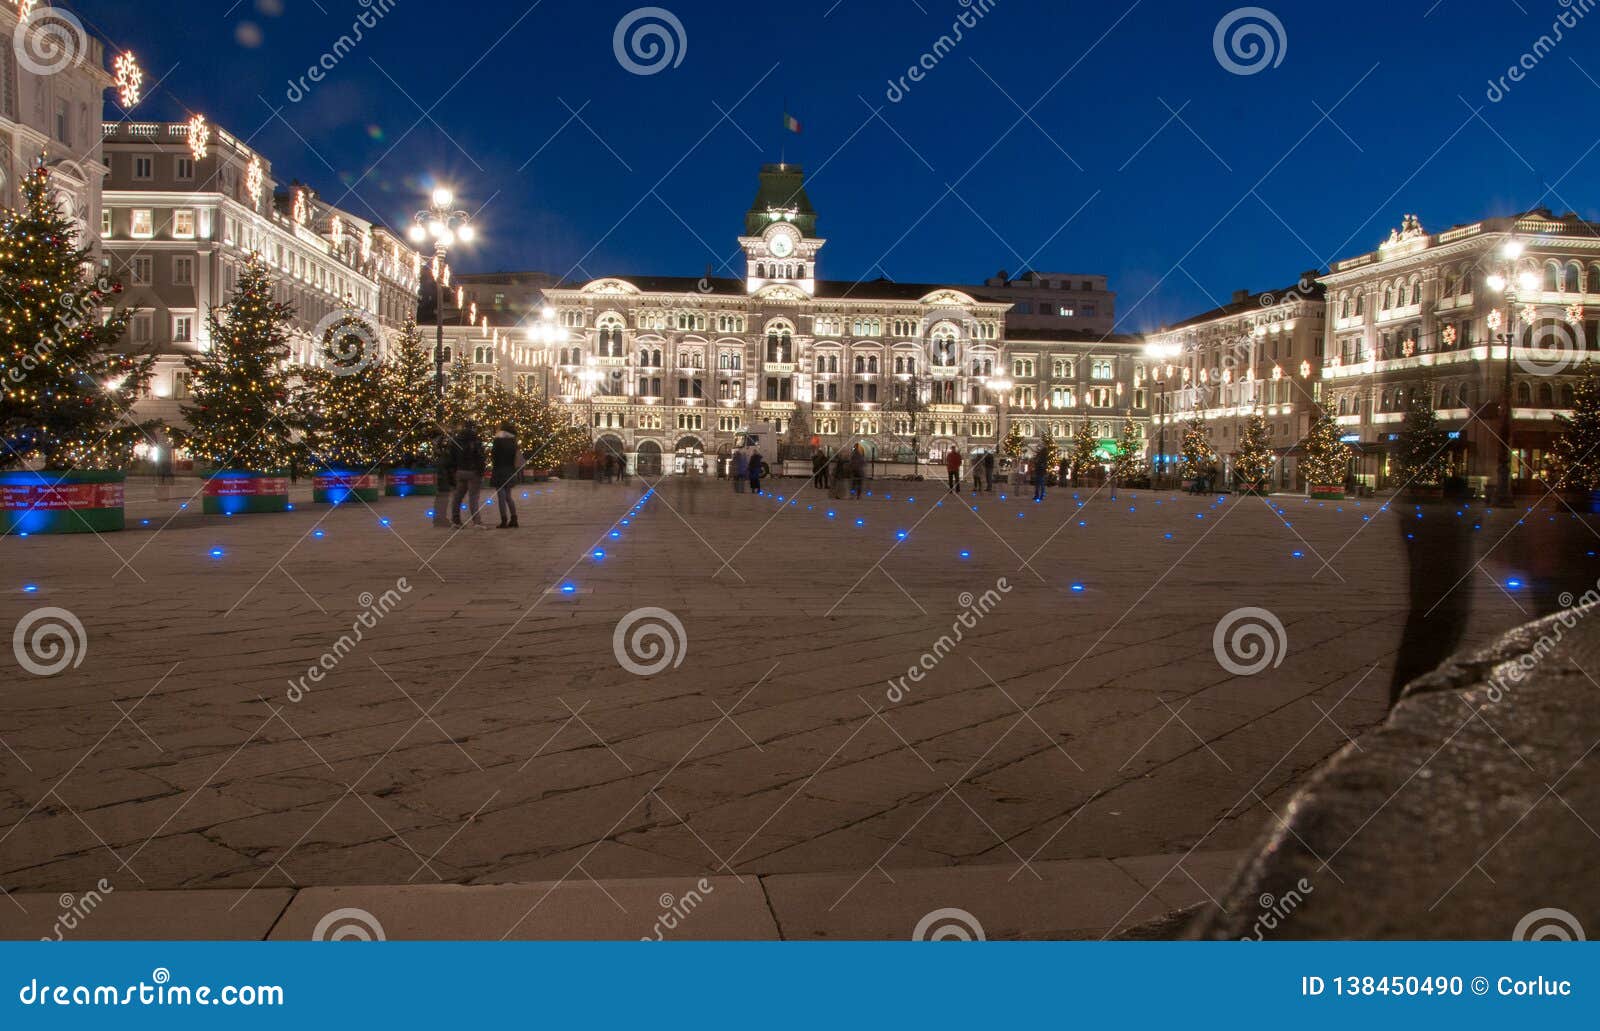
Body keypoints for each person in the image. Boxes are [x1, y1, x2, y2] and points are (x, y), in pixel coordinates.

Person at [449, 420, 488, 528]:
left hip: (460, 471)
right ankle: (477, 522)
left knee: (458, 497)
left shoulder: (456, 440)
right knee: (473, 498)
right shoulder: (475, 440)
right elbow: (480, 458)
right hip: (473, 472)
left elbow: (451, 458)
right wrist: (480, 472)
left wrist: (454, 471)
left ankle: (456, 521)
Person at [491, 422, 520, 529]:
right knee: (508, 496)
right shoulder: (513, 442)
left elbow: (493, 455)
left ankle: (504, 520)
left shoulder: (497, 441)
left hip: (499, 469)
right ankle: (514, 518)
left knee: (501, 496)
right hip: (510, 470)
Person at [433, 425, 457, 528]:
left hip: (443, 473)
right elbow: (448, 462)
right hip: (444, 474)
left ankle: (439, 518)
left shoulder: (439, 446)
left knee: (442, 497)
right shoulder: (445, 452)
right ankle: (440, 518)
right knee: (443, 496)